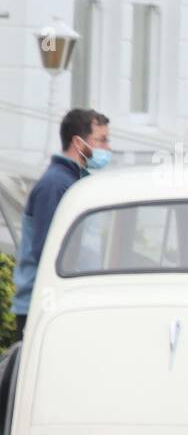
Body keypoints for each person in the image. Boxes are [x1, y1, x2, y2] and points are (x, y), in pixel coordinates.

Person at [14, 109, 111, 338]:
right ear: (78, 143)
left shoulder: (72, 181)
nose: (107, 148)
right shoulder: (56, 185)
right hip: (43, 307)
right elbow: (47, 251)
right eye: (101, 140)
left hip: (59, 304)